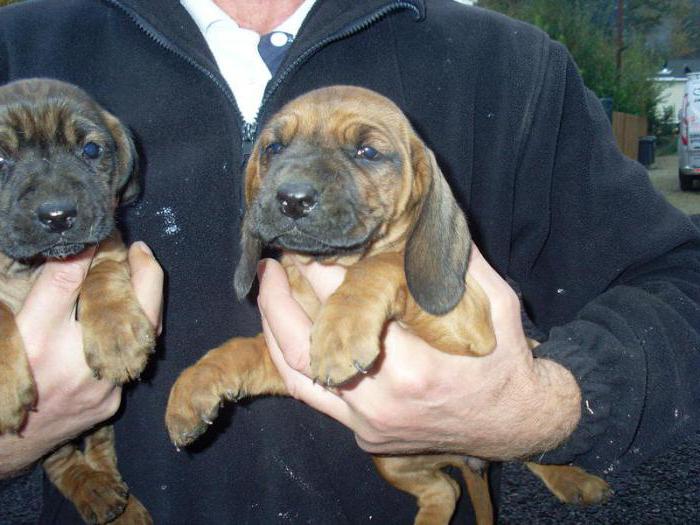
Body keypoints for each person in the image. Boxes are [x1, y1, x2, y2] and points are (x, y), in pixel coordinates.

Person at [1, 0, 699, 523]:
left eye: (365, 151)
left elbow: (682, 284)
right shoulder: (16, 45)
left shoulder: (510, 67)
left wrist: (545, 408)